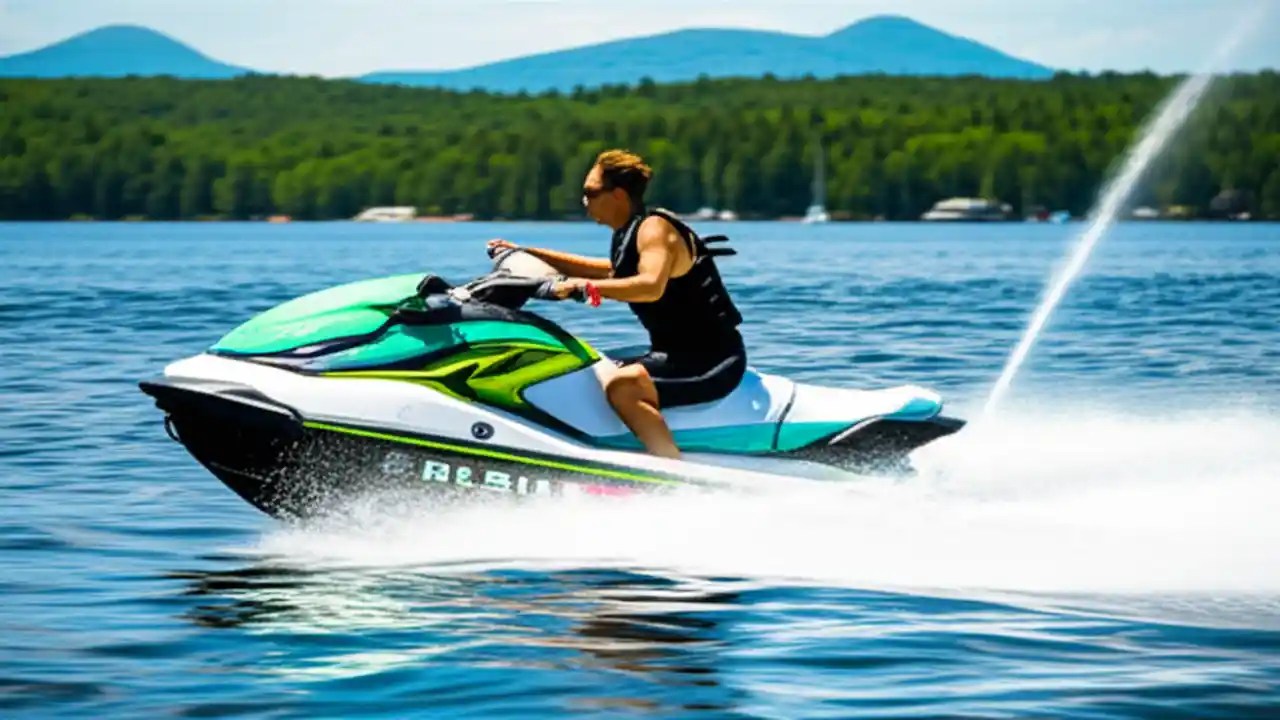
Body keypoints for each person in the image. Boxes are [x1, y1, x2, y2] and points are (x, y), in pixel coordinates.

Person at [486, 149, 745, 459]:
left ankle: (671, 472)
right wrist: (528, 252)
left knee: (624, 385)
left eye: (590, 193)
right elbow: (607, 271)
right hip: (674, 356)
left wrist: (588, 288)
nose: (585, 202)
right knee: (581, 368)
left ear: (618, 195)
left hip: (711, 361)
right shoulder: (629, 233)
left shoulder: (654, 229)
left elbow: (650, 286)